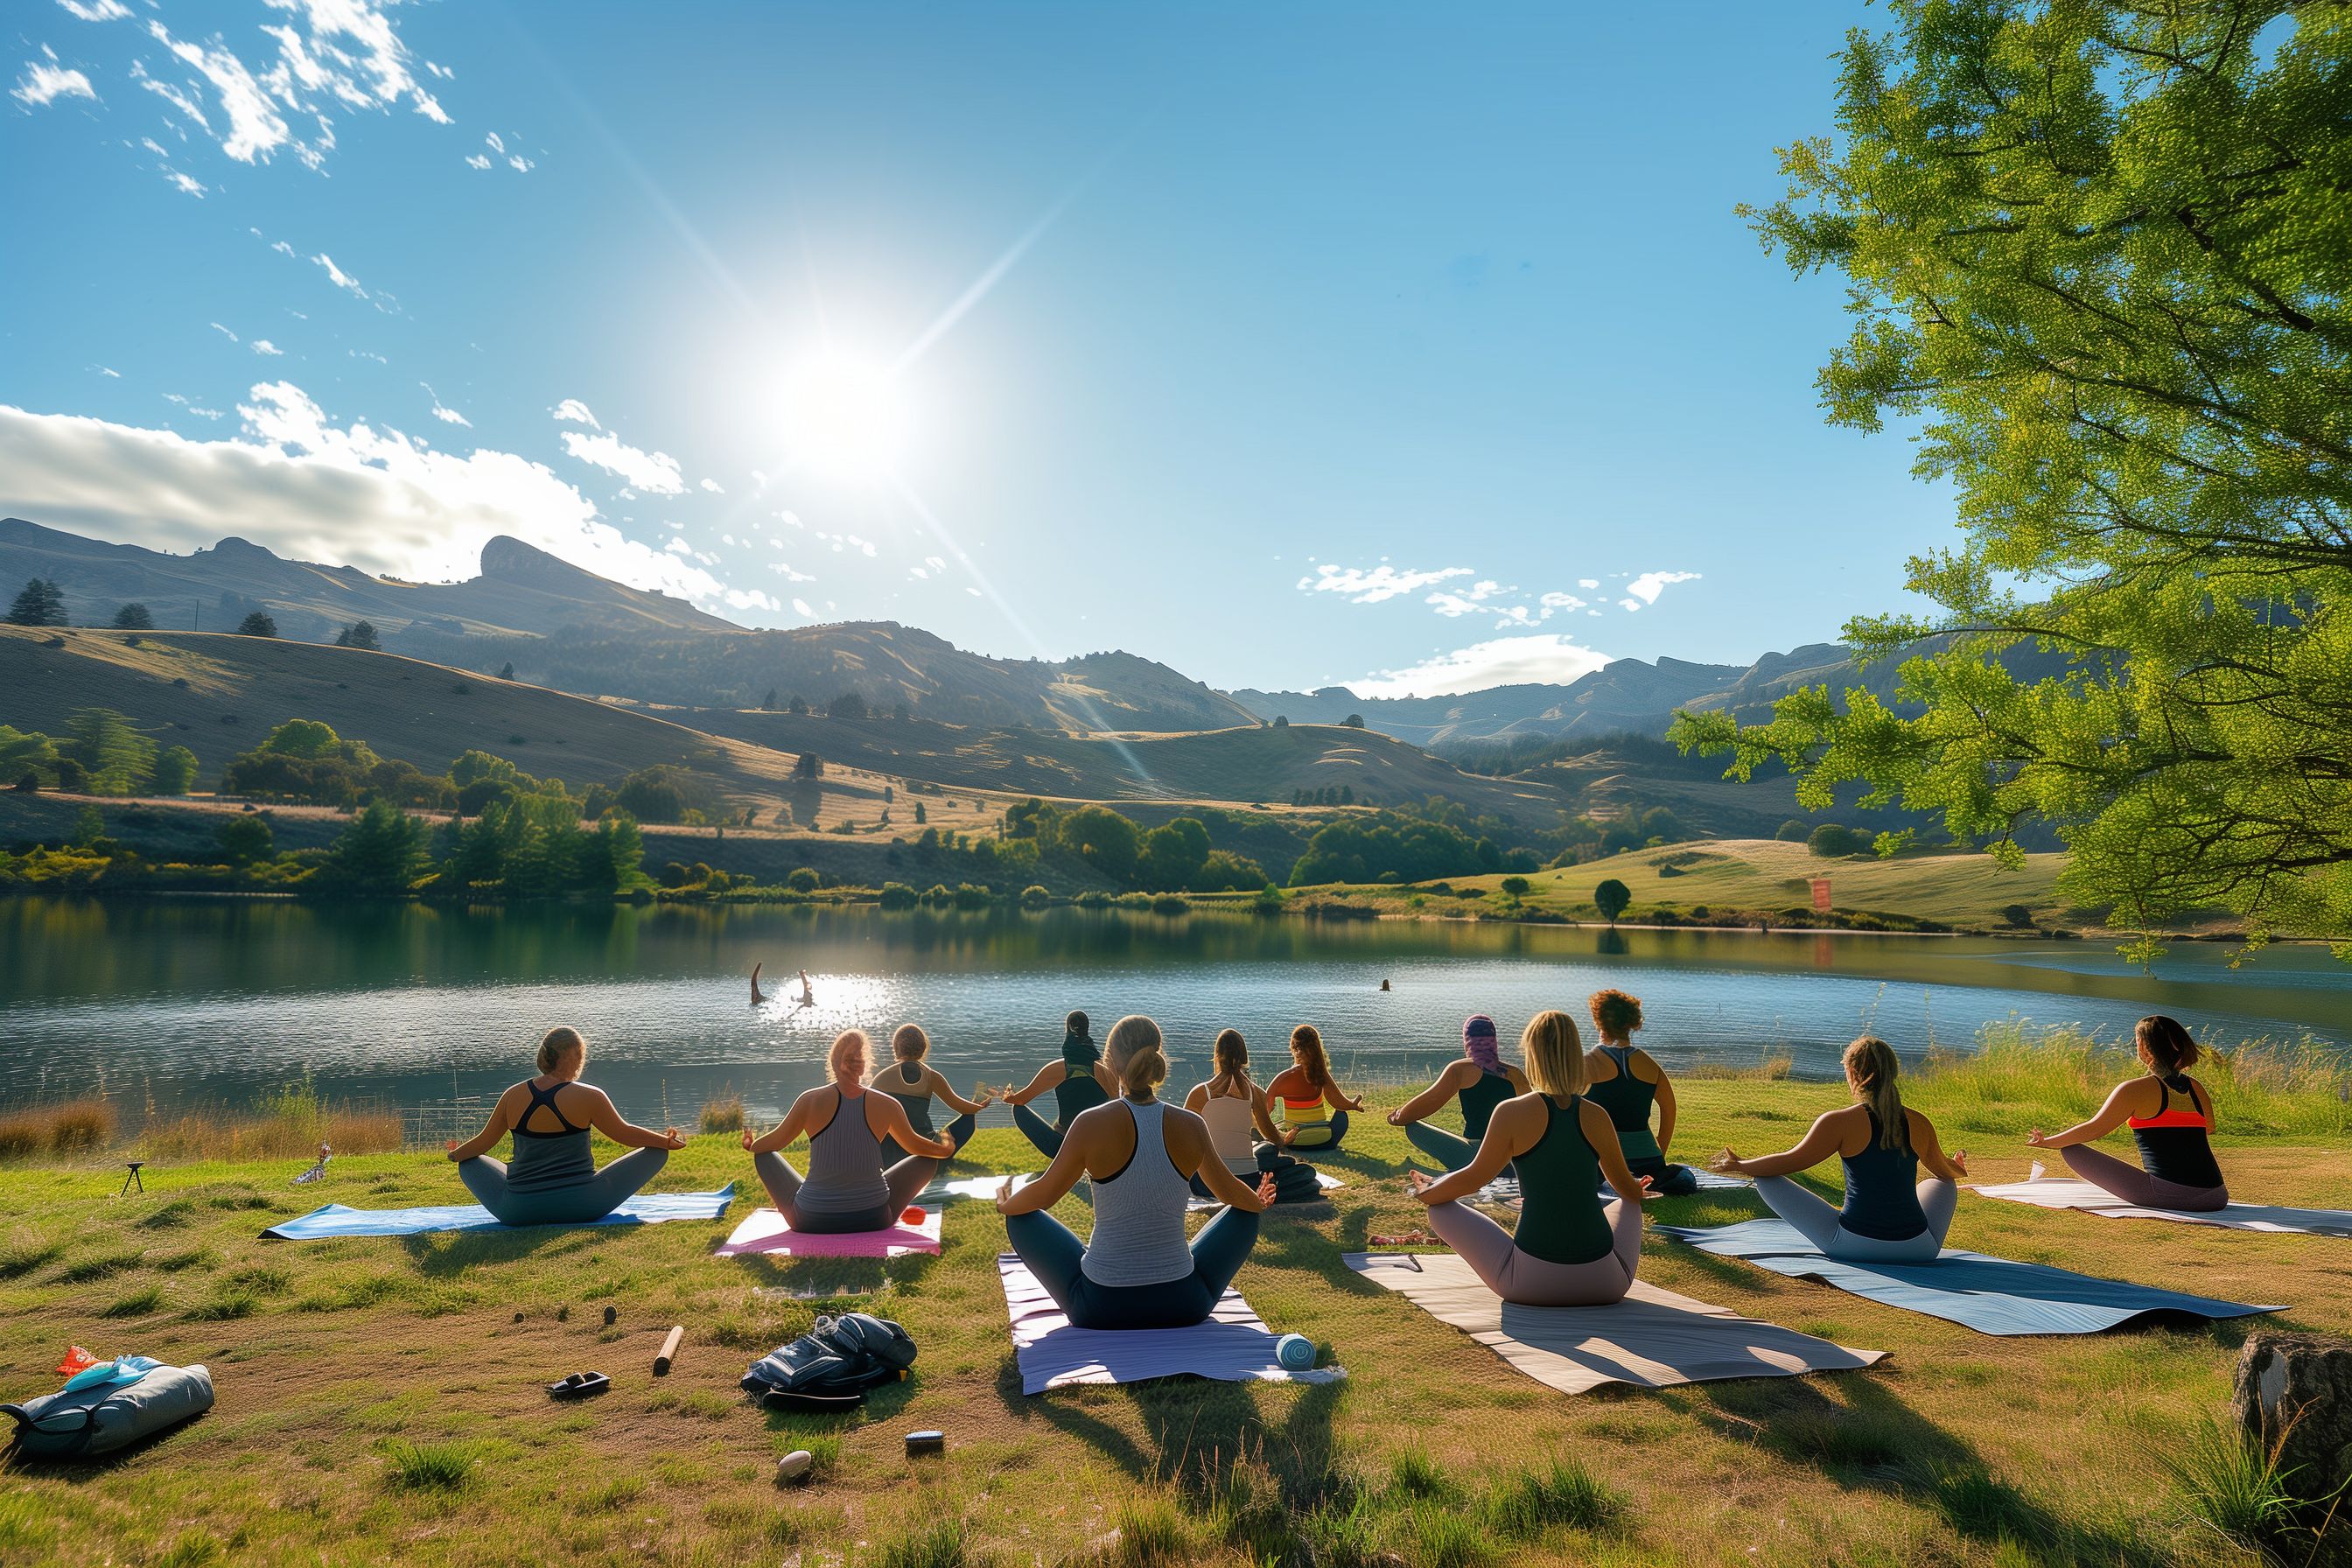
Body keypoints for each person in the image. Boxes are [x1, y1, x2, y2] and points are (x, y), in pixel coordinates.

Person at [998, 1014, 1275, 1328]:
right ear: (1157, 1057)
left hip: (1099, 1307)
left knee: (1020, 1217)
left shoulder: (1090, 1123)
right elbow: (1230, 1192)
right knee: (1245, 1214)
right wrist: (1255, 1202)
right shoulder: (1192, 1125)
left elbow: (1044, 1193)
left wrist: (1007, 1204)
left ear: (1110, 1062)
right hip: (1184, 1303)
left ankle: (1106, 1263)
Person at [1403, 1010, 1651, 1306]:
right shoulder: (1597, 1116)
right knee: (1630, 1202)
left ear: (1531, 1055)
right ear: (1576, 1055)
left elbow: (1473, 1178)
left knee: (1440, 1210)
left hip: (1529, 1285)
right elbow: (1627, 1190)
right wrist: (1637, 1188)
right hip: (1606, 1285)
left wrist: (1428, 1192)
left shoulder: (1511, 1112)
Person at [1711, 1035, 1969, 1262]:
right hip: (1919, 1250)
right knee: (1941, 1184)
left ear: (1853, 1073)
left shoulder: (1840, 1122)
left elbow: (1790, 1161)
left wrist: (1741, 1165)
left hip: (1853, 1246)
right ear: (1893, 1072)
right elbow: (1945, 1172)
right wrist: (1958, 1168)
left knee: (1766, 1179)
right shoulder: (1919, 1123)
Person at [445, 1026, 685, 1226]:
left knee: (470, 1161)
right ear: (576, 1056)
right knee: (656, 1152)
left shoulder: (512, 1095)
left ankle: (523, 1188)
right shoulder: (590, 1096)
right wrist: (665, 1142)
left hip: (519, 1211)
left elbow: (484, 1142)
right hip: (585, 1205)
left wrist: (455, 1154)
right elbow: (624, 1134)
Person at [742, 1029, 956, 1231]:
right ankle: (871, 1200)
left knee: (764, 1157)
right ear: (863, 1066)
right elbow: (916, 1146)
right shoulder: (887, 1104)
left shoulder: (809, 1100)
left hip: (809, 1220)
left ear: (833, 1063)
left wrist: (751, 1144)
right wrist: (944, 1150)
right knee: (927, 1160)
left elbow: (769, 1145)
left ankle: (821, 1201)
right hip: (874, 1219)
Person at [2025, 1015, 2229, 1211]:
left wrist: (2047, 1142)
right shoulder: (2195, 1087)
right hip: (2216, 1196)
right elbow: (2208, 1128)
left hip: (2171, 1196)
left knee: (2071, 1150)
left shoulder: (2134, 1089)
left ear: (2144, 1048)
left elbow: (2094, 1129)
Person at [1581, 990, 1698, 1196]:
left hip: (1602, 1163)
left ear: (1598, 1021)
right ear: (1631, 1023)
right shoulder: (1650, 1064)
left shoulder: (1588, 1063)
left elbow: (1563, 1106)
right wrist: (1660, 1152)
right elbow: (1669, 1109)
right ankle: (1640, 1180)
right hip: (1649, 1162)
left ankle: (1621, 1182)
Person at [1388, 1014, 1530, 1172]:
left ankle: (1458, 1174)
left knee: (1413, 1128)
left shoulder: (1461, 1069)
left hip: (1477, 1157)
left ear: (1467, 1040)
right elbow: (1530, 1119)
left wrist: (1398, 1117)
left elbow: (1430, 1101)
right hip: (1513, 1159)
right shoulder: (1516, 1074)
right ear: (1493, 1040)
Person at [1182, 1028, 1285, 1200]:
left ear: (1217, 1056)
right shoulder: (1256, 1093)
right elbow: (1271, 1135)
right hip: (1247, 1182)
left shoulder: (1200, 1093)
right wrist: (1284, 1139)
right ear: (1244, 1058)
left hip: (1209, 1184)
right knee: (1268, 1150)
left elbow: (1183, 1134)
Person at [1004, 1011, 1119, 1159]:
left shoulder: (1058, 1068)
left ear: (1067, 1031)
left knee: (1018, 1110)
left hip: (1064, 1147)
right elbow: (1119, 1105)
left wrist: (1008, 1094)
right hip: (1099, 1145)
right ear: (1087, 1030)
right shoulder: (1104, 1071)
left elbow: (1019, 1100)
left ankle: (1065, 1155)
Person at [876, 1023, 992, 1162]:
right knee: (968, 1119)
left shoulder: (881, 1077)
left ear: (896, 1047)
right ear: (923, 1047)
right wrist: (978, 1105)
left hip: (887, 1153)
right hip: (926, 1147)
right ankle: (940, 1159)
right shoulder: (931, 1076)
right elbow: (961, 1106)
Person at [1265, 1025, 1367, 1153]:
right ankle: (1327, 1146)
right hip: (1323, 1139)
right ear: (1317, 1047)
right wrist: (1353, 1105)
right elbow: (1339, 1103)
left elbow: (1265, 1111)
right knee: (1341, 1114)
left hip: (1294, 1141)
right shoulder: (1320, 1074)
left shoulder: (1283, 1078)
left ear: (1293, 1047)